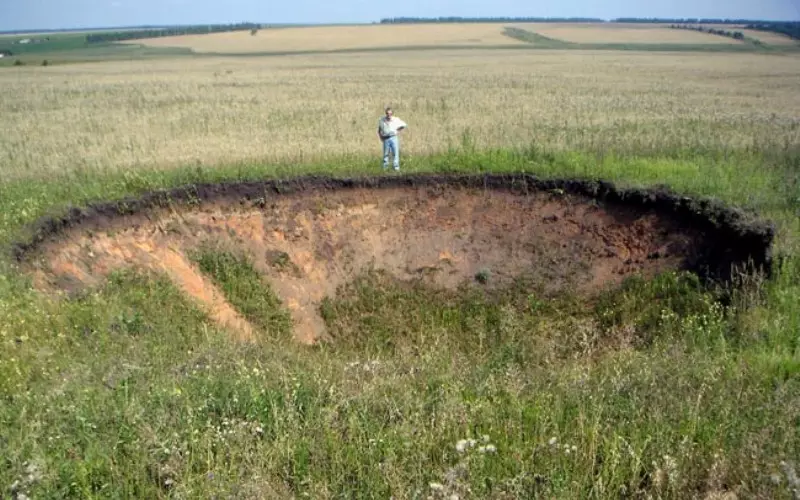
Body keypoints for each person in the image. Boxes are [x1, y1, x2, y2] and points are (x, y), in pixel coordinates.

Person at [377, 107, 407, 171]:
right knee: (386, 154)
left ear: (392, 114)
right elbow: (379, 130)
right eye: (387, 114)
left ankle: (396, 168)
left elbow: (404, 125)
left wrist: (397, 130)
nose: (389, 115)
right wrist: (381, 137)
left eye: (390, 114)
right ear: (386, 113)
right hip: (386, 138)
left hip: (393, 137)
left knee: (395, 153)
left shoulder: (395, 119)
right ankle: (385, 168)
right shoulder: (382, 120)